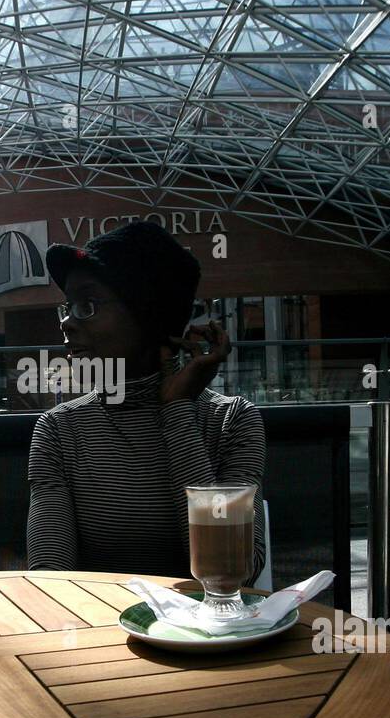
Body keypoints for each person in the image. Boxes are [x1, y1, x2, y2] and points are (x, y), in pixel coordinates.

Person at [25, 220, 267, 579]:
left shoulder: (231, 422)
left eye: (87, 305)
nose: (66, 323)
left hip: (202, 633)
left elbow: (229, 571)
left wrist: (177, 411)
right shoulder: (59, 431)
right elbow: (51, 578)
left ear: (149, 317)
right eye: (68, 306)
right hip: (96, 631)